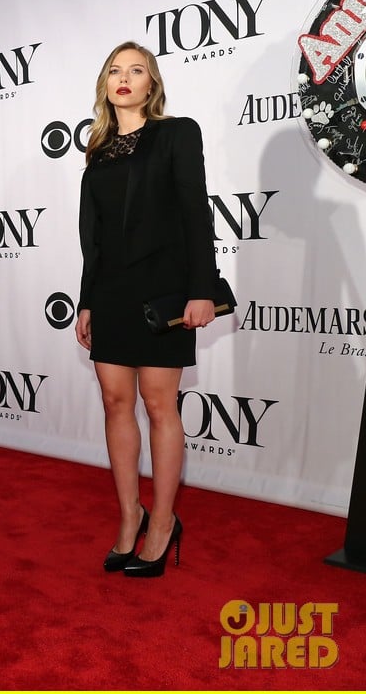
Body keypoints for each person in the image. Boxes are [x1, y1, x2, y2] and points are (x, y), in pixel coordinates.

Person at [75, 41, 217, 578]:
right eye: (115, 70)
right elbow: (96, 240)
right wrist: (87, 300)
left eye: (137, 70)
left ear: (152, 83)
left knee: (160, 406)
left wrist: (200, 289)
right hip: (110, 293)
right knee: (115, 403)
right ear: (105, 84)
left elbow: (194, 211)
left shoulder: (177, 134)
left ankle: (163, 522)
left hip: (163, 291)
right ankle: (129, 516)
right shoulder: (96, 154)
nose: (125, 78)